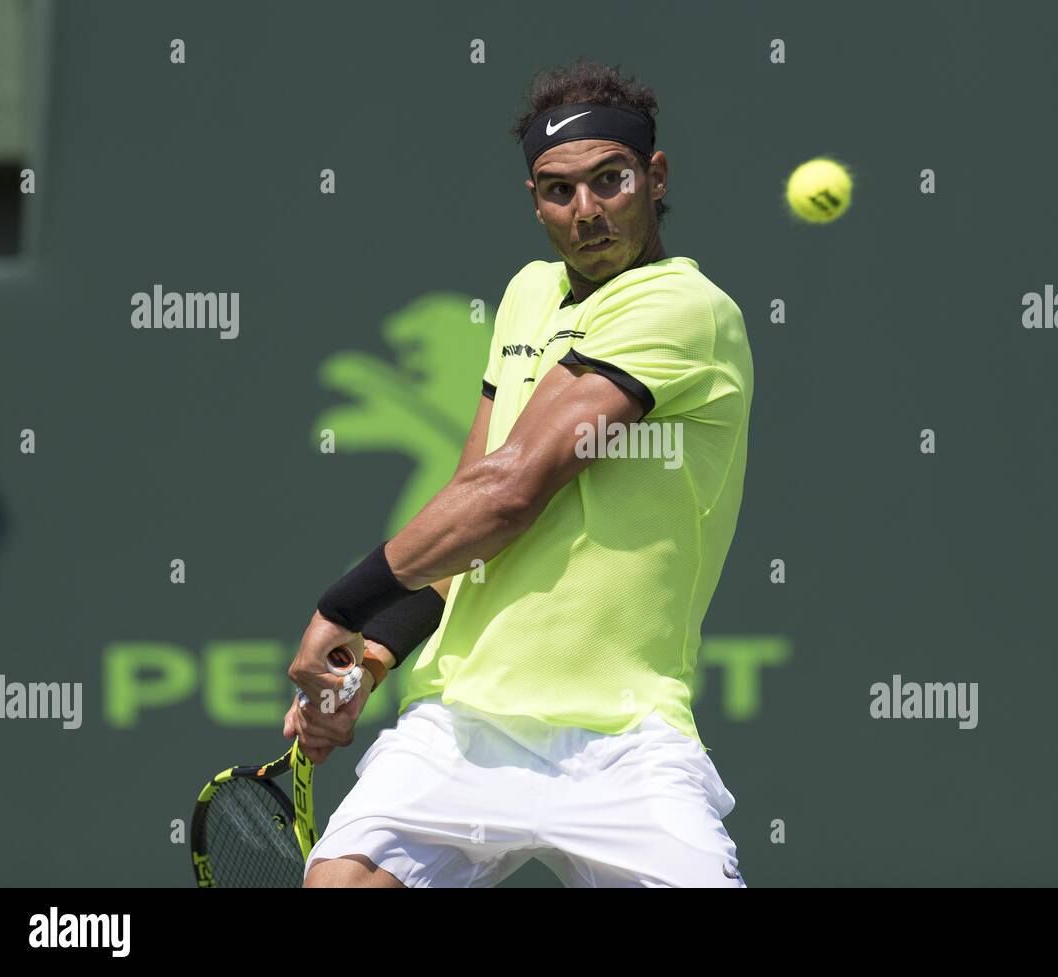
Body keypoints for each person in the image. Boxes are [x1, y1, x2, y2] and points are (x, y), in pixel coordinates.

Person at [285, 58, 754, 888]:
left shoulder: (686, 309)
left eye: (610, 180)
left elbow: (509, 494)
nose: (588, 212)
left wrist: (340, 608)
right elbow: (470, 518)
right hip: (465, 723)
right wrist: (375, 655)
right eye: (556, 190)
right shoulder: (528, 295)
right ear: (534, 200)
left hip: (625, 737)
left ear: (656, 175)